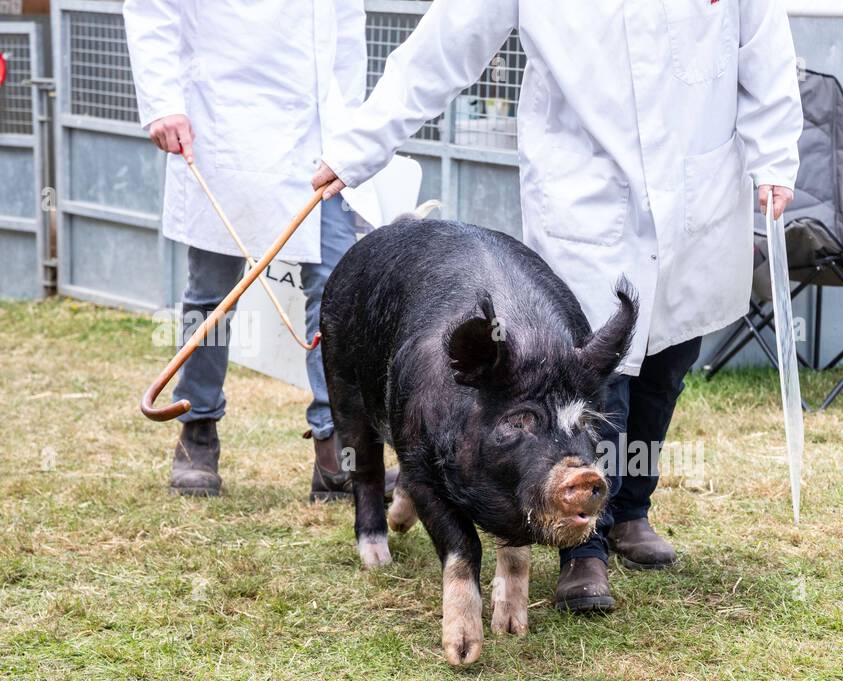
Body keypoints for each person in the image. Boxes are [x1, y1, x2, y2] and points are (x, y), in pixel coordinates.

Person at [313, 0, 802, 610]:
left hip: (695, 187)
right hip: (586, 187)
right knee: (586, 380)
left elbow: (763, 49)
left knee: (667, 362)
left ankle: (629, 510)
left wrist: (775, 156)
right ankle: (582, 553)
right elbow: (447, 42)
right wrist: (358, 147)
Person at [125, 0, 392, 500]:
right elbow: (151, 6)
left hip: (321, 134)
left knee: (338, 293)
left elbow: (347, 26)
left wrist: (352, 123)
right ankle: (197, 430)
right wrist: (163, 101)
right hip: (225, 124)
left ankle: (336, 450)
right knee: (210, 295)